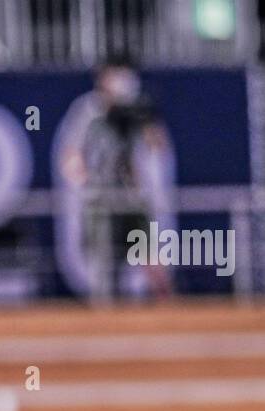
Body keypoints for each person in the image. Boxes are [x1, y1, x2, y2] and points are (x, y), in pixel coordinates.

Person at [59, 56, 173, 300]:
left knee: (148, 251)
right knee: (102, 258)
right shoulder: (87, 110)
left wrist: (147, 119)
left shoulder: (136, 110)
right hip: (99, 197)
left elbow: (157, 146)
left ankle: (166, 305)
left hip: (130, 195)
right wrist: (85, 184)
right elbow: (71, 154)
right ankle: (105, 311)